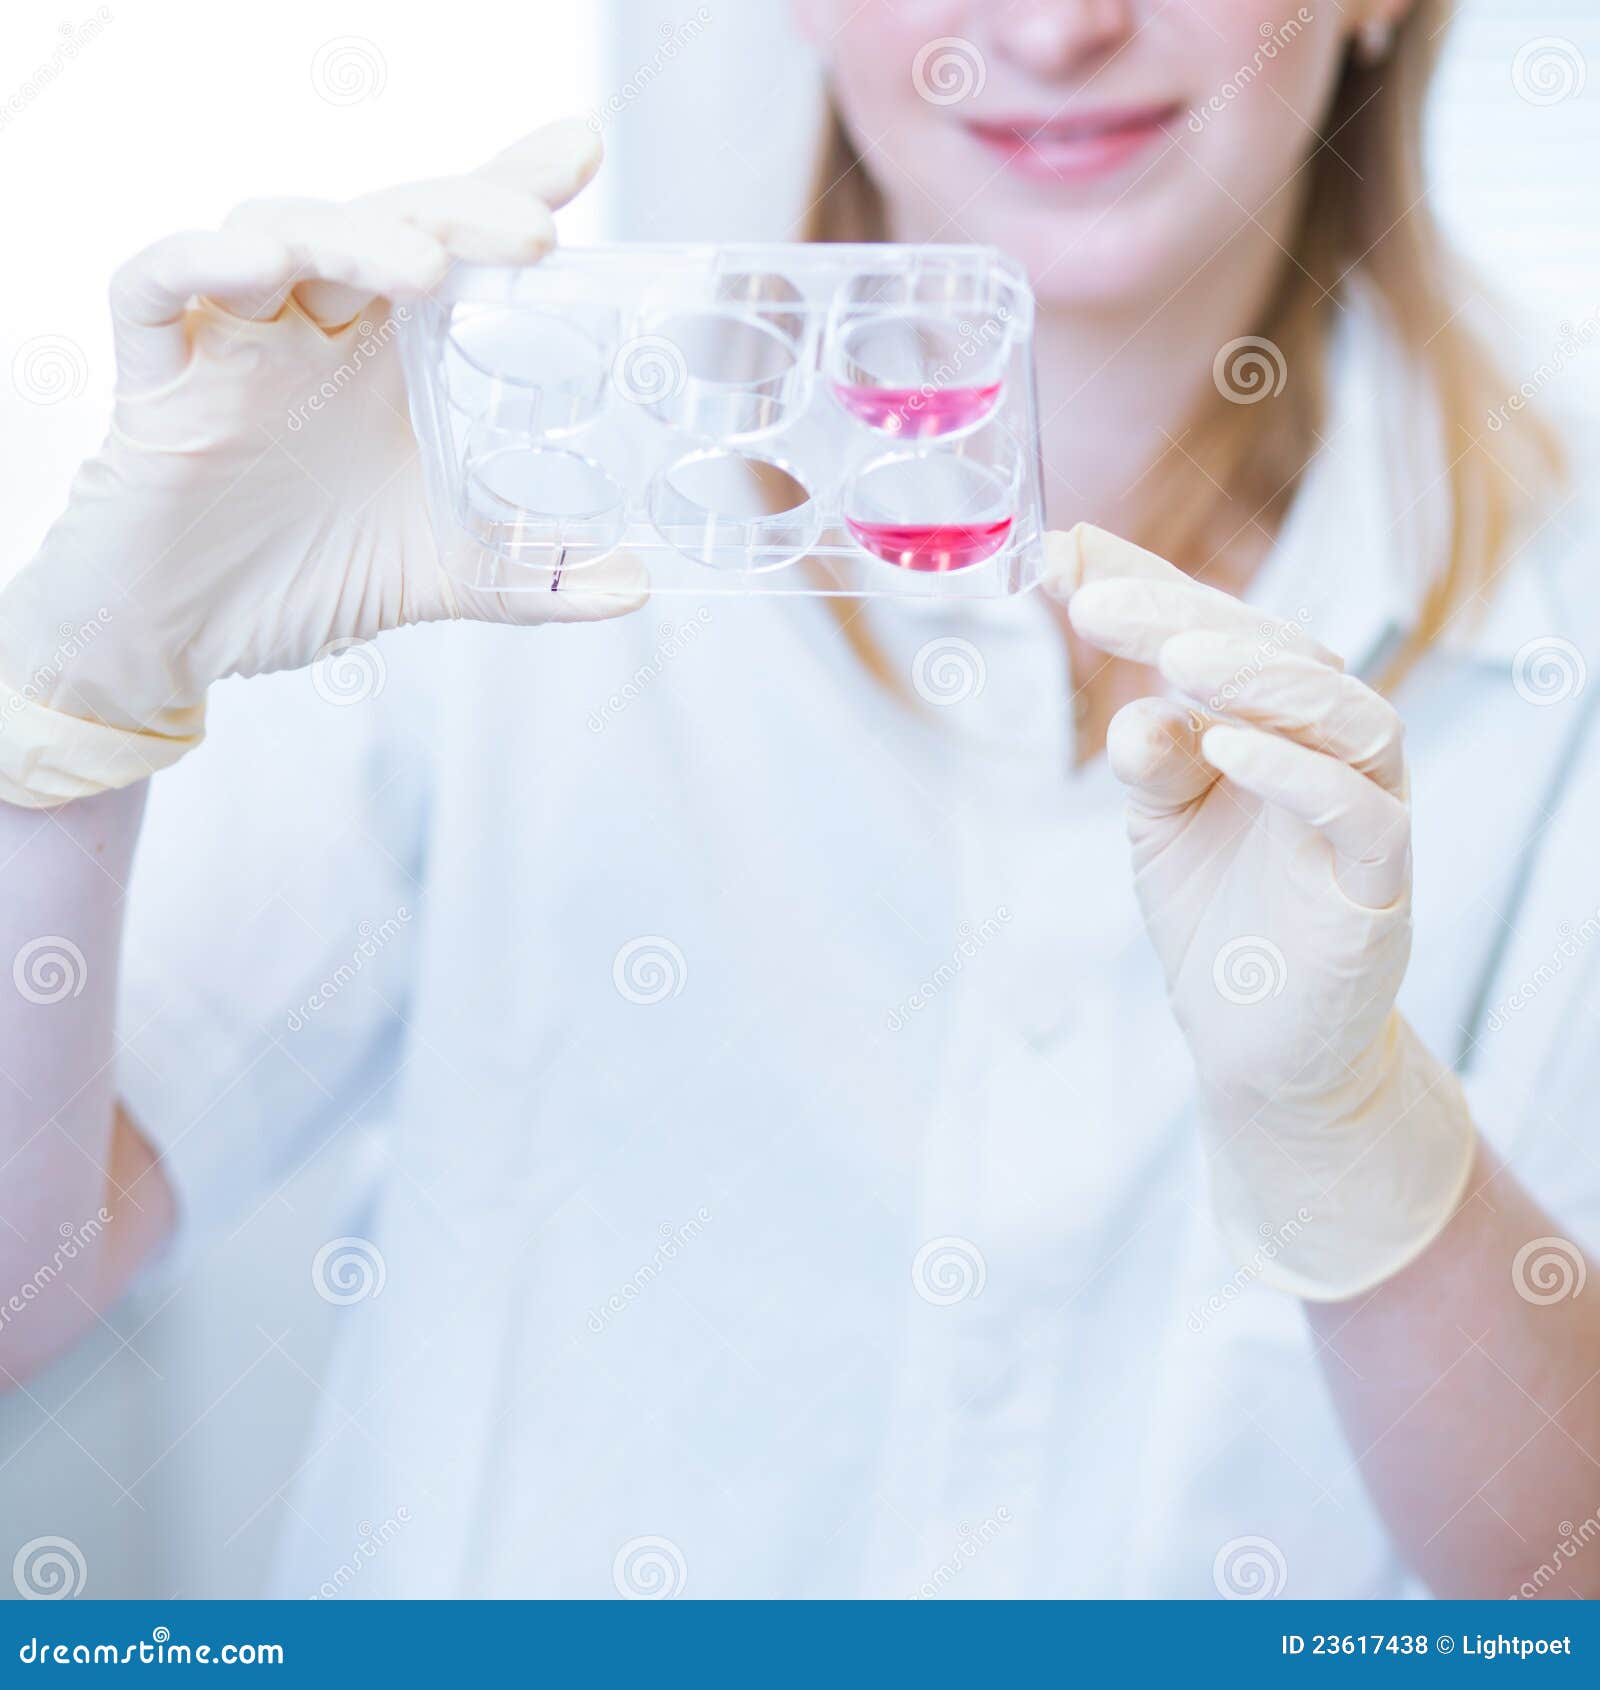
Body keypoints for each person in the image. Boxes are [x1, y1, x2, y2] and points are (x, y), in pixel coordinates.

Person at [3, 0, 1597, 1600]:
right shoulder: (492, 472)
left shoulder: (1567, 614)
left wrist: (1366, 1152)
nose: (1058, 29)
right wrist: (70, 717)